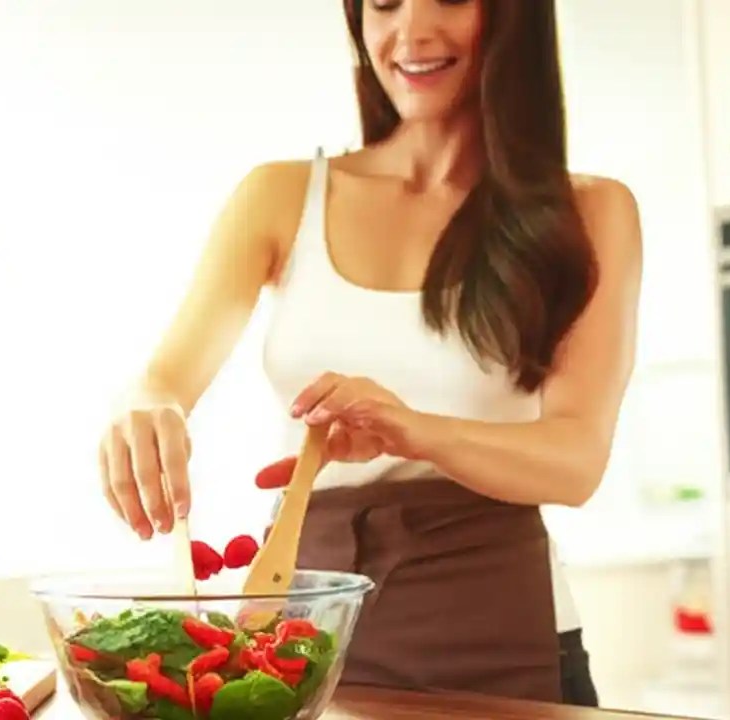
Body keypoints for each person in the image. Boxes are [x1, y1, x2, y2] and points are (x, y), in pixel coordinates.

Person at [96, 0, 641, 708]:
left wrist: (411, 428)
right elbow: (165, 377)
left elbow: (576, 461)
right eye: (383, 3)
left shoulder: (591, 213)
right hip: (302, 632)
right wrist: (144, 408)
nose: (409, 32)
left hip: (502, 629)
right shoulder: (280, 195)